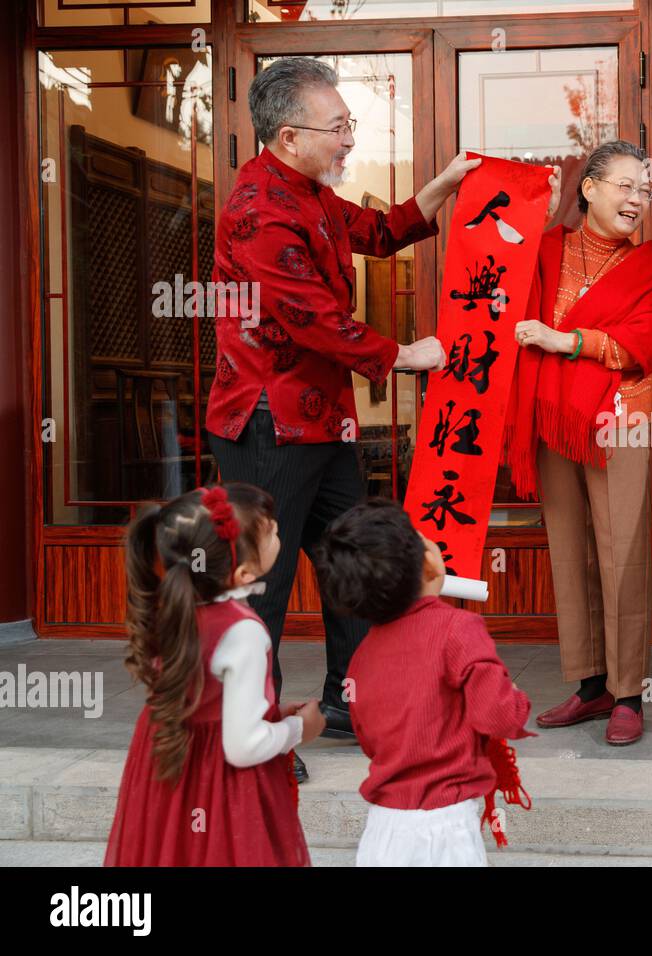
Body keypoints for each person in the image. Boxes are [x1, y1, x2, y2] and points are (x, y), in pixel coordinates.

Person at [205, 57, 491, 782]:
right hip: (268, 423)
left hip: (323, 422)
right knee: (261, 587)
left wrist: (445, 187)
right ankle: (253, 739)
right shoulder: (257, 210)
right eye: (338, 128)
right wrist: (406, 353)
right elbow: (310, 318)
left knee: (356, 564)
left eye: (349, 124)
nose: (348, 140)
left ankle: (348, 702)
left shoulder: (312, 192)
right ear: (289, 134)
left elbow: (383, 229)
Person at [503, 141, 652, 747]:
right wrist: (535, 214)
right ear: (590, 188)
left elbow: (642, 341)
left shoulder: (648, 267)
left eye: (644, 191)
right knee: (569, 547)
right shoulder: (547, 248)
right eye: (624, 186)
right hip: (555, 415)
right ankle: (590, 682)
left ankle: (630, 693)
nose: (636, 199)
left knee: (621, 549)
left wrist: (565, 341)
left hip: (620, 417)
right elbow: (501, 282)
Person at [105, 483, 324, 866]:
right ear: (241, 572)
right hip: (221, 786)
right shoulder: (244, 631)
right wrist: (298, 730)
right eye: (270, 530)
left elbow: (209, 698)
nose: (278, 531)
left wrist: (272, 711)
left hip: (172, 771)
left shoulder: (175, 609)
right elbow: (243, 747)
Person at [313, 498, 532, 866]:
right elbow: (499, 716)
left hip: (382, 829)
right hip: (445, 826)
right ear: (429, 563)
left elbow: (369, 739)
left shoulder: (362, 655)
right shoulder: (458, 629)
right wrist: (516, 700)